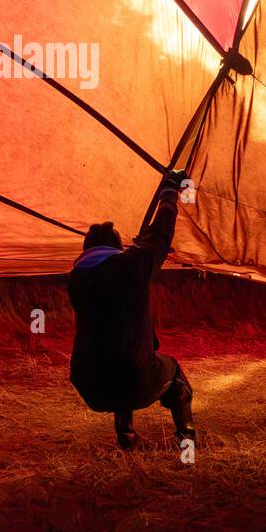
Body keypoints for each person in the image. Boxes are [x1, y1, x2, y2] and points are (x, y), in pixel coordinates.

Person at [68, 172, 196, 450]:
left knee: (116, 361)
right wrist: (170, 192)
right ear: (117, 249)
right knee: (172, 371)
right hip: (134, 380)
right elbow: (161, 236)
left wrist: (139, 248)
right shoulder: (131, 267)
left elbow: (123, 263)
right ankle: (187, 439)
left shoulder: (76, 280)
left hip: (90, 386)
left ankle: (126, 436)